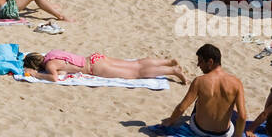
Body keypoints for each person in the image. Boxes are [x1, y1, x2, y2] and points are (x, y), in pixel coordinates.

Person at [159, 43, 247, 137]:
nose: (198, 65)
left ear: (210, 62)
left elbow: (182, 107)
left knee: (198, 101)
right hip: (223, 135)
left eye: (200, 61)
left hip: (199, 130)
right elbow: (242, 116)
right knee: (231, 106)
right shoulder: (236, 83)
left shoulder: (199, 81)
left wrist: (170, 120)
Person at [23, 50, 184, 83]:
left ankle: (172, 70)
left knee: (136, 72)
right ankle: (168, 62)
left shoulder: (50, 65)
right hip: (95, 57)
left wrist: (36, 75)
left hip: (94, 67)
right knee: (134, 64)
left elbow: (54, 78)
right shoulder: (51, 53)